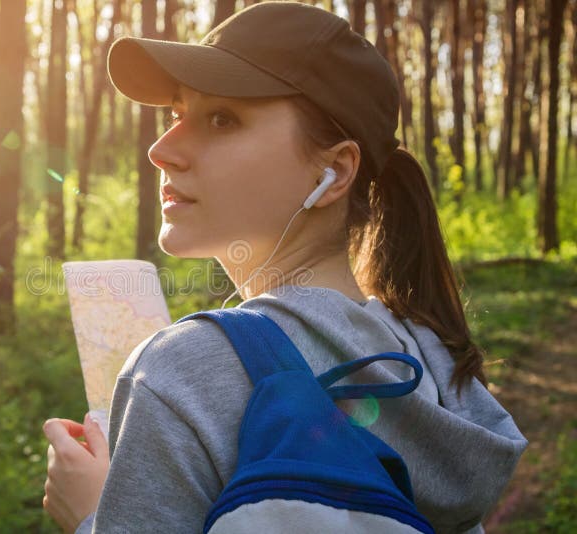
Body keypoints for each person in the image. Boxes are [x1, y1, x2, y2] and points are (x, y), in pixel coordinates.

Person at [42, 3, 527, 533]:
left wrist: (90, 515)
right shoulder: (428, 357)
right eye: (177, 115)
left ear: (334, 171)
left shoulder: (179, 371)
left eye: (222, 119)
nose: (162, 149)